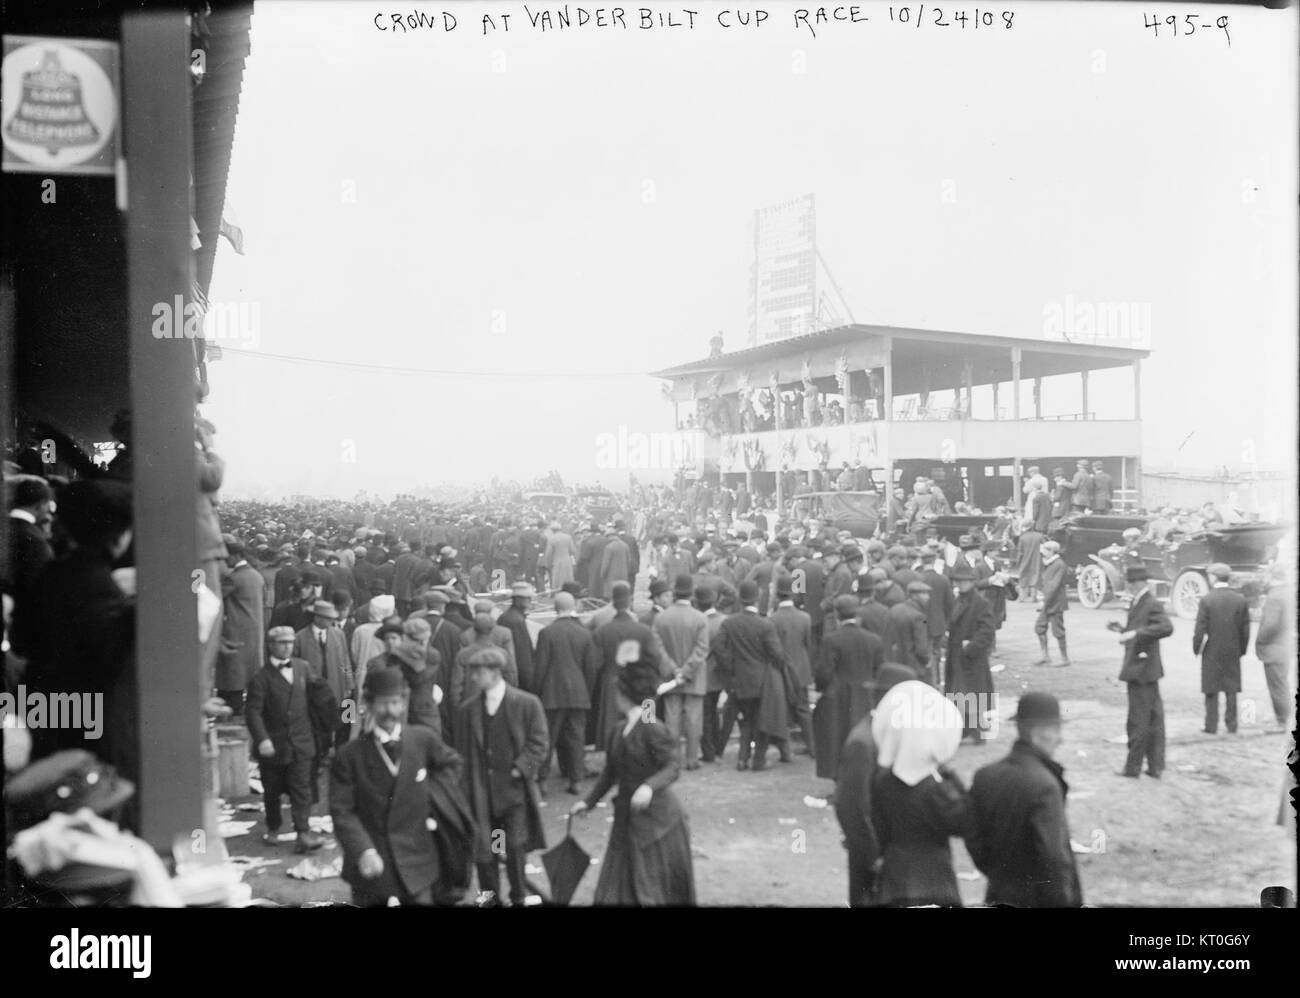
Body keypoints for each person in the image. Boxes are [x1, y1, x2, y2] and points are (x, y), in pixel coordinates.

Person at [330, 666, 464, 906]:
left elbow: (452, 765)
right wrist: (363, 850)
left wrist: (433, 799)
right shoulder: (349, 755)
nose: (389, 711)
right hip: (372, 859)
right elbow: (342, 811)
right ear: (369, 705)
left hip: (418, 854)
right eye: (382, 704)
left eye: (394, 702)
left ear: (403, 703)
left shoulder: (423, 739)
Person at [570, 655, 696, 905]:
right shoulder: (618, 730)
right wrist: (589, 802)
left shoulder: (652, 727)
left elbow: (673, 766)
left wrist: (649, 787)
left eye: (618, 690)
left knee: (652, 887)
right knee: (623, 884)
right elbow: (610, 773)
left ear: (625, 693)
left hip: (659, 823)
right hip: (628, 817)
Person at [968, 692, 1083, 907]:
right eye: (1056, 730)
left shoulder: (985, 776)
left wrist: (999, 875)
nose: (1060, 739)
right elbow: (1054, 858)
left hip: (998, 894)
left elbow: (974, 839)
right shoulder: (1045, 785)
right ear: (1038, 733)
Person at [455, 646, 549, 907]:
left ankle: (518, 896)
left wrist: (521, 769)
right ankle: (492, 899)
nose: (474, 677)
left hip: (514, 791)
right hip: (482, 793)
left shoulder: (526, 703)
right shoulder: (468, 710)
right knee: (487, 850)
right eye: (472, 672)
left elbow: (539, 742)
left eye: (479, 672)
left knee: (516, 847)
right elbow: (461, 753)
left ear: (496, 672)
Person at [870, 680, 970, 907]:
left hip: (894, 880)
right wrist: (953, 777)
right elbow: (966, 822)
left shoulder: (882, 782)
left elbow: (879, 829)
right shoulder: (938, 789)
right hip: (936, 880)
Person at [834, 663, 916, 907]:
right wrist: (873, 857)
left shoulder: (882, 733)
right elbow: (850, 807)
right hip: (873, 853)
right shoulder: (863, 742)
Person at [246, 626, 325, 854]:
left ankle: (303, 833)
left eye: (290, 642)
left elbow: (318, 695)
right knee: (272, 790)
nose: (287, 646)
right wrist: (262, 739)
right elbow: (253, 712)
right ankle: (273, 826)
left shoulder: (303, 668)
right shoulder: (261, 678)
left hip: (301, 742)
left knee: (302, 788)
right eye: (281, 642)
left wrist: (332, 720)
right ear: (271, 645)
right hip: (274, 745)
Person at [714, 580, 788, 771]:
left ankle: (742, 759)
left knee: (745, 721)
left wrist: (730, 666)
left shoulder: (730, 623)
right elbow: (778, 654)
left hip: (739, 680)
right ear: (757, 599)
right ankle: (759, 760)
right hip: (762, 680)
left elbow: (718, 647)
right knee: (760, 722)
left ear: (740, 598)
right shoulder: (765, 625)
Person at [813, 595, 885, 781]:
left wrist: (822, 688)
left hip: (839, 696)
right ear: (858, 614)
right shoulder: (874, 640)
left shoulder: (832, 640)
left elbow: (823, 672)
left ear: (837, 615)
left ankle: (841, 780)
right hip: (866, 695)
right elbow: (880, 670)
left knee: (838, 740)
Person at [534, 591, 598, 794]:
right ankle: (576, 780)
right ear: (574, 607)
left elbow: (540, 668)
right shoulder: (585, 634)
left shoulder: (546, 633)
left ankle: (542, 780)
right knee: (576, 738)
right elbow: (591, 669)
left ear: (555, 608)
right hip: (579, 693)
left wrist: (538, 692)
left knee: (548, 738)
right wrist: (585, 690)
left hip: (552, 695)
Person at [1115, 566, 1173, 779]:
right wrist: (1123, 631)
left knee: (1138, 720)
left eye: (1129, 583)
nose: (1128, 586)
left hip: (1140, 670)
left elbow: (1166, 627)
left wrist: (1133, 634)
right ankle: (1155, 766)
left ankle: (1132, 769)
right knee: (1154, 719)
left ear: (1134, 583)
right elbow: (1144, 630)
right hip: (1148, 669)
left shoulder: (1149, 603)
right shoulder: (1140, 601)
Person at [653, 574, 710, 769]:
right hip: (693, 677)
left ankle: (672, 761)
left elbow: (657, 647)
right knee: (694, 721)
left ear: (675, 594)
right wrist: (685, 672)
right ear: (691, 593)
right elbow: (702, 649)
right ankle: (692, 759)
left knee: (672, 721)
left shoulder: (661, 618)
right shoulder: (700, 618)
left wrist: (674, 670)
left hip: (669, 678)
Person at [1192, 563, 1250, 735]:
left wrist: (1196, 648)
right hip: (1233, 649)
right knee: (1231, 687)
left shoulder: (1207, 599)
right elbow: (1245, 629)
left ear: (1214, 577)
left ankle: (1211, 725)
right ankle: (1232, 725)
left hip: (1212, 650)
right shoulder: (1240, 599)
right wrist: (1241, 650)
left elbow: (1200, 629)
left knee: (1211, 687)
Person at [946, 564, 997, 743]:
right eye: (958, 581)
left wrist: (971, 647)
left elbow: (988, 630)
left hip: (971, 657)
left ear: (971, 582)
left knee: (973, 693)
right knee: (960, 693)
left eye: (964, 581)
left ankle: (978, 732)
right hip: (956, 656)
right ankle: (965, 729)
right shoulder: (957, 600)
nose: (961, 584)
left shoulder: (980, 603)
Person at [216, 538, 265, 715]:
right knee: (247, 670)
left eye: (227, 556)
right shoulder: (256, 576)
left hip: (235, 631)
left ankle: (233, 706)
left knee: (232, 673)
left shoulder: (233, 578)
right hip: (253, 630)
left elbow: (214, 598)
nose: (225, 560)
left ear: (237, 556)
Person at [1254, 567, 1296, 733]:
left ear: (1272, 576)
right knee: (1282, 684)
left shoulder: (1274, 596)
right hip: (1285, 647)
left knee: (1277, 687)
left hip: (1273, 649)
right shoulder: (1288, 592)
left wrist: (1261, 640)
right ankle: (1285, 719)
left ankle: (1281, 722)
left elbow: (1270, 624)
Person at [1034, 540, 1069, 667]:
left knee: (1058, 631)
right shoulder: (1049, 563)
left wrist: (1044, 600)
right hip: (1047, 601)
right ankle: (1045, 656)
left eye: (1045, 551)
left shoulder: (1059, 564)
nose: (1042, 553)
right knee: (1039, 628)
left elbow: (1054, 585)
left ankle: (1064, 659)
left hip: (1056, 602)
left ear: (1052, 551)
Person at [889, 581, 931, 677]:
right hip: (912, 665)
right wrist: (926, 660)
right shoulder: (919, 617)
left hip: (894, 662)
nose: (928, 597)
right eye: (924, 594)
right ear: (914, 596)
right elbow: (921, 648)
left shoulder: (894, 609)